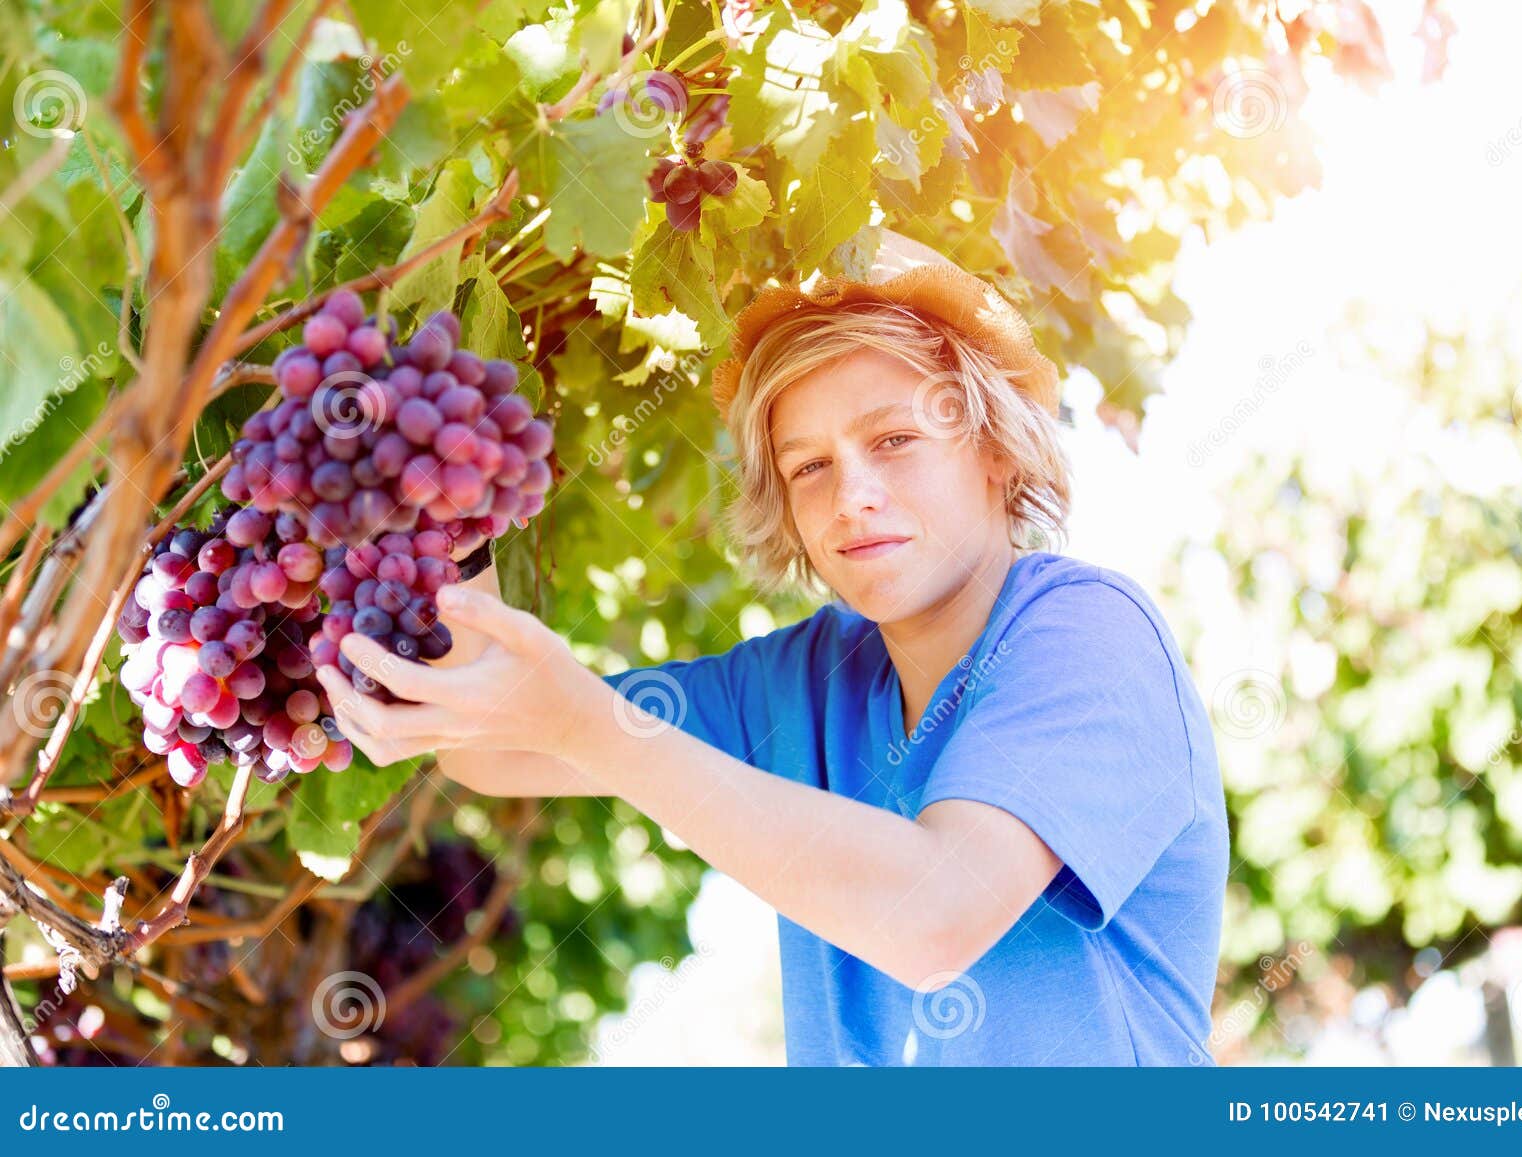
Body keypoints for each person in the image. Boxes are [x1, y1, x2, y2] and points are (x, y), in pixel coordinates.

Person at [317, 232, 1229, 1067]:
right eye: (810, 465)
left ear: (995, 450)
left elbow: (937, 915)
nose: (853, 494)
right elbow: (504, 738)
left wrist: (589, 723)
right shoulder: (803, 680)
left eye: (896, 440)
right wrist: (449, 500)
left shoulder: (1088, 633)